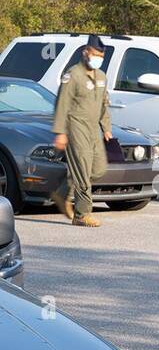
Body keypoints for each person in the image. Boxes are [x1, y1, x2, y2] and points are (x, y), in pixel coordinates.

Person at [51, 35, 112, 227]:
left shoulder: (101, 76)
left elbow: (103, 104)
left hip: (93, 128)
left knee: (99, 168)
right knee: (83, 170)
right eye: (95, 54)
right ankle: (82, 214)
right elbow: (62, 103)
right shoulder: (73, 74)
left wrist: (107, 128)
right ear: (85, 52)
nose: (98, 58)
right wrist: (60, 132)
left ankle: (62, 192)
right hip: (75, 127)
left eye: (101, 56)